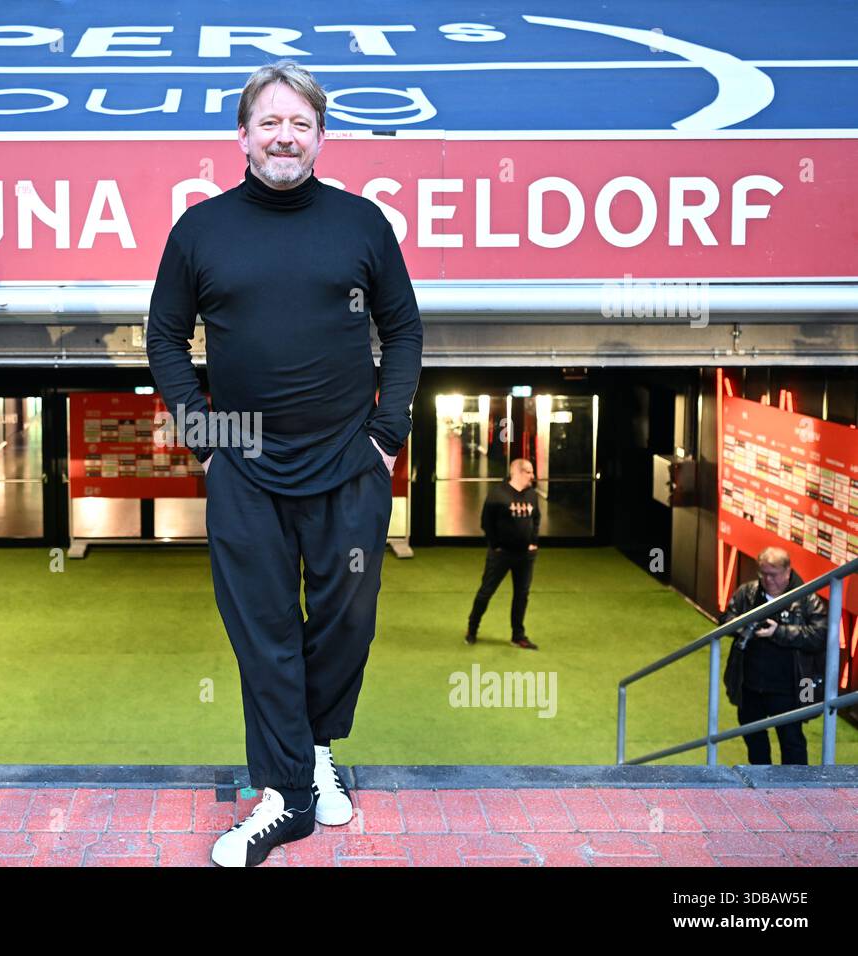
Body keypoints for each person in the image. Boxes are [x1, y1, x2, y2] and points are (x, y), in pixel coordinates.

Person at [145, 60, 422, 867]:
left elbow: (402, 330)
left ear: (321, 137)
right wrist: (202, 431)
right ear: (242, 135)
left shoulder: (362, 223)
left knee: (345, 624)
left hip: (348, 463)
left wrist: (387, 432)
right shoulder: (200, 230)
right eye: (269, 122)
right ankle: (284, 791)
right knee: (262, 632)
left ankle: (318, 753)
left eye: (300, 123)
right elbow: (164, 337)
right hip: (245, 467)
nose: (284, 136)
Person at [721, 546, 828, 765]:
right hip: (750, 684)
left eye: (773, 574)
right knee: (753, 737)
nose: (767, 579)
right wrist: (740, 626)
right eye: (763, 573)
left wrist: (777, 632)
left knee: (791, 740)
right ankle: (760, 786)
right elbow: (726, 618)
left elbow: (820, 635)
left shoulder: (807, 598)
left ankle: (796, 789)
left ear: (788, 571)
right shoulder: (747, 592)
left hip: (788, 688)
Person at [465, 458, 540, 649]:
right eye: (528, 472)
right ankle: (472, 629)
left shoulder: (532, 495)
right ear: (516, 472)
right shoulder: (497, 495)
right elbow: (486, 522)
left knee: (521, 595)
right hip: (501, 554)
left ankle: (518, 635)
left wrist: (533, 542)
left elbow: (536, 519)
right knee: (486, 592)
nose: (532, 476)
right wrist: (495, 545)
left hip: (525, 556)